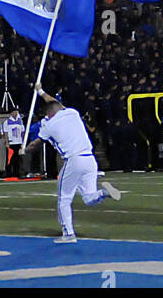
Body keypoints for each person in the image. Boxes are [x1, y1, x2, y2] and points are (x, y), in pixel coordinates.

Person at [21, 90, 121, 243]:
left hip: (74, 160)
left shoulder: (49, 125)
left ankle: (68, 234)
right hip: (90, 159)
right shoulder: (73, 113)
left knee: (64, 198)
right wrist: (41, 91)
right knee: (89, 198)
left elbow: (36, 144)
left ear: (48, 114)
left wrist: (24, 150)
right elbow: (54, 102)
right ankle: (104, 193)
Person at [3, 109, 26, 178]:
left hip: (18, 142)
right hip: (11, 143)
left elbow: (22, 132)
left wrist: (23, 142)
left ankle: (17, 173)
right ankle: (9, 173)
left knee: (17, 159)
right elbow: (6, 133)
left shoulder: (20, 121)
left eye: (17, 112)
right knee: (10, 159)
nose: (16, 113)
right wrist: (7, 142)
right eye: (15, 112)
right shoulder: (7, 122)